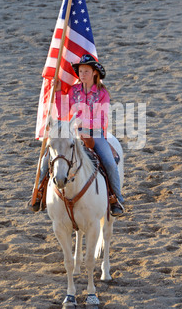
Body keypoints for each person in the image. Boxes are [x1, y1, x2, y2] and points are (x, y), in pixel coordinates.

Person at [32, 54, 125, 217]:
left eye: (86, 71)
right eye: (81, 71)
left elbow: (101, 120)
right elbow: (63, 114)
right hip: (72, 133)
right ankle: (38, 194)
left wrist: (82, 122)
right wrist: (59, 92)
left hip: (94, 135)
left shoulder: (102, 93)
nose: (82, 74)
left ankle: (115, 198)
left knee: (109, 163)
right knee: (47, 158)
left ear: (95, 73)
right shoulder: (73, 90)